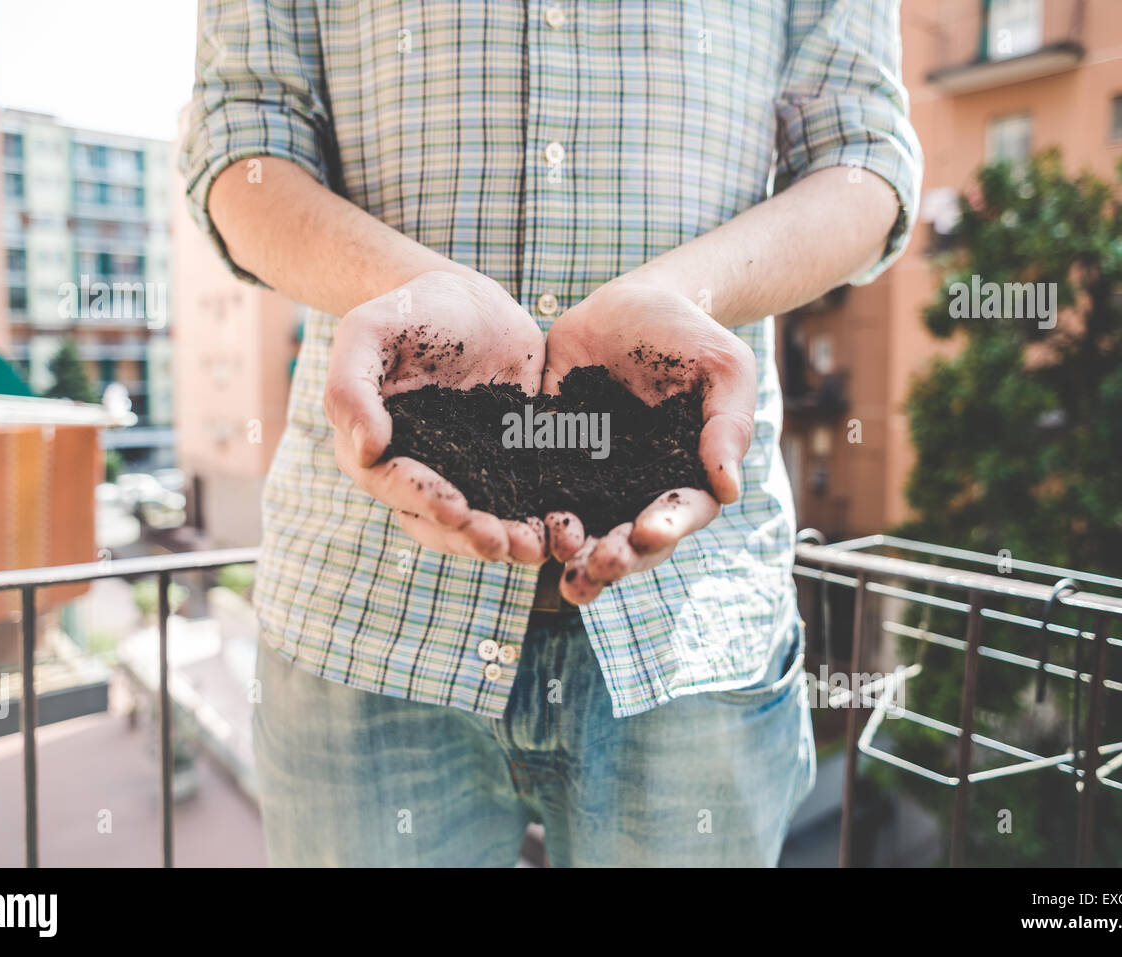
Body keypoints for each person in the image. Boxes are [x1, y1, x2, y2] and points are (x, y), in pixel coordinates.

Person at [181, 0, 921, 866]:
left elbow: (863, 163)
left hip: (695, 619)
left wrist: (687, 296)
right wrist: (417, 291)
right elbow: (240, 146)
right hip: (363, 604)